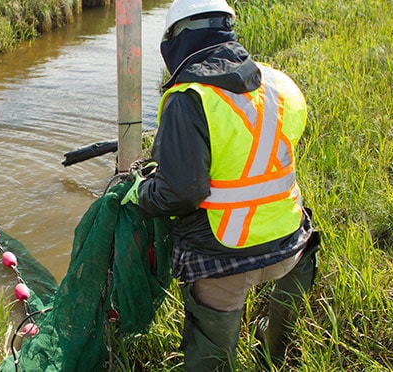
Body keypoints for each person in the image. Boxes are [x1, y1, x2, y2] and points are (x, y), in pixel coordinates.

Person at [120, 0, 321, 370]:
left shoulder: (189, 99)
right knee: (278, 327)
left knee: (211, 351)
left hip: (223, 255)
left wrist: (142, 193)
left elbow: (180, 193)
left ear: (176, 39)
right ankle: (272, 351)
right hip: (289, 242)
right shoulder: (280, 84)